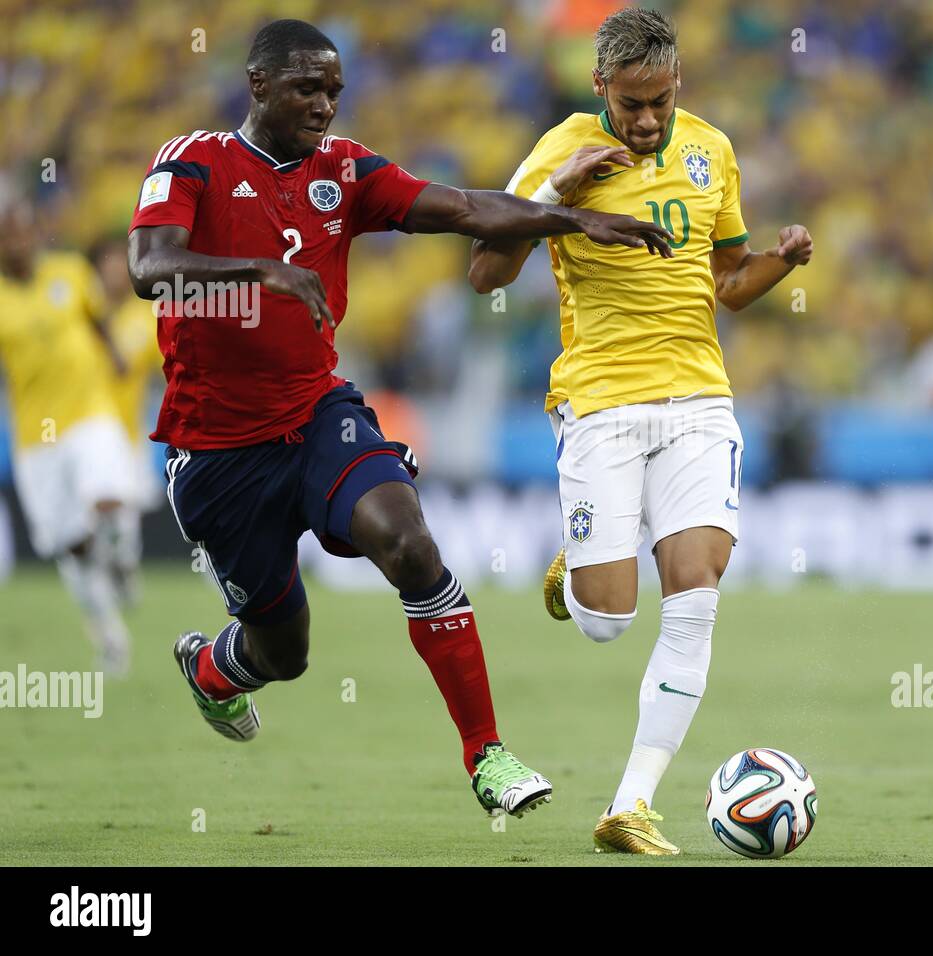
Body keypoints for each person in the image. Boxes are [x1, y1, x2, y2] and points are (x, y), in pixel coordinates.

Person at [126, 18, 672, 819]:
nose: (324, 105)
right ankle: (214, 670)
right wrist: (261, 275)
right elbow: (151, 271)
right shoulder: (192, 161)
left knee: (410, 543)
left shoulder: (345, 171)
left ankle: (488, 756)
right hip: (215, 453)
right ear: (258, 85)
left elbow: (463, 209)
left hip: (316, 415)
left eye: (335, 91)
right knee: (286, 651)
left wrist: (572, 219)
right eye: (308, 88)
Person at [468, 7, 813, 853]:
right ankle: (581, 569)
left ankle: (630, 805)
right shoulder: (560, 149)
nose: (649, 120)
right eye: (632, 105)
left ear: (677, 83)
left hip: (700, 399)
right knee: (608, 621)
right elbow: (483, 272)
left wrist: (782, 260)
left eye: (661, 100)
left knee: (695, 595)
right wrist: (558, 198)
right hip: (600, 403)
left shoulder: (712, 150)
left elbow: (727, 281)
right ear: (599, 89)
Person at [0, 192, 136, 674]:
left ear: (35, 232)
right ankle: (109, 632)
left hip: (88, 412)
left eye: (22, 229)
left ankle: (122, 559)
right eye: (7, 233)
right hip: (37, 439)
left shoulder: (70, 272)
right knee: (71, 546)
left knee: (109, 494)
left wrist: (115, 354)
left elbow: (96, 319)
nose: (17, 241)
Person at [91, 236, 164, 606]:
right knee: (101, 510)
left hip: (127, 430)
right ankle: (105, 577)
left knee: (122, 514)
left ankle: (122, 568)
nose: (116, 273)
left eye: (122, 266)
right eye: (109, 266)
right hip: (83, 430)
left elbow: (168, 368)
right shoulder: (83, 316)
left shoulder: (143, 319)